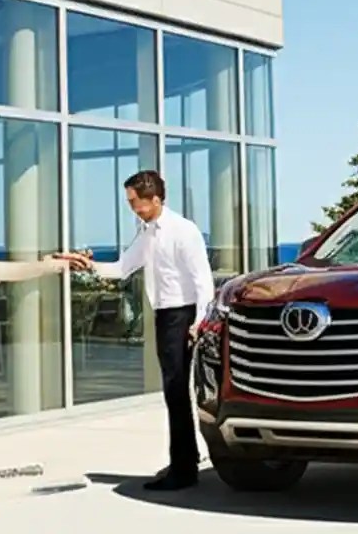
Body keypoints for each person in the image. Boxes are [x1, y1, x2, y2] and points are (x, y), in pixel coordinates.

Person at [55, 170, 214, 491]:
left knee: (177, 391)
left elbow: (203, 282)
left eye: (135, 202)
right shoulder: (147, 233)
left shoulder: (183, 231)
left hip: (182, 317)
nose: (132, 208)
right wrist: (87, 266)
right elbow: (123, 267)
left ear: (155, 199)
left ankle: (183, 471)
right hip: (164, 316)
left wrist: (198, 323)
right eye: (130, 202)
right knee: (174, 393)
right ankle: (186, 460)